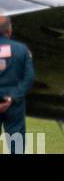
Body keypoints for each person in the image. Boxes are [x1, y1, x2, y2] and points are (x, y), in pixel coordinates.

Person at [0, 15, 35, 155]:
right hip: (14, 103)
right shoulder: (22, 50)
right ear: (10, 30)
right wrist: (12, 97)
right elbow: (29, 77)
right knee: (17, 146)